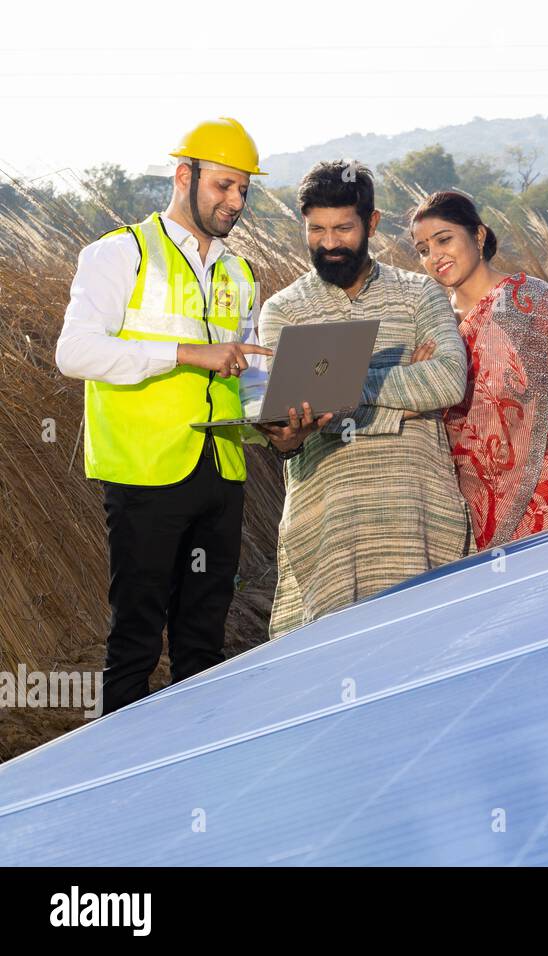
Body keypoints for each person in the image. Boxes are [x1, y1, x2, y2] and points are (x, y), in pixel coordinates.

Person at [54, 117, 313, 714]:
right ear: (183, 176)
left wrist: (279, 421)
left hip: (221, 470)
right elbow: (75, 353)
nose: (236, 201)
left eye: (244, 190)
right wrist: (184, 353)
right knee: (136, 639)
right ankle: (119, 772)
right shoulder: (121, 254)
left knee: (204, 638)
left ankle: (197, 762)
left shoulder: (239, 272)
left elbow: (243, 369)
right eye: (224, 186)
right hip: (145, 471)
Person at [259, 161, 471, 639]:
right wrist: (403, 384)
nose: (329, 243)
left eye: (342, 228)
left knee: (426, 653)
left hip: (416, 511)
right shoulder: (283, 311)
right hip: (327, 522)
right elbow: (294, 415)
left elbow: (449, 382)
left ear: (371, 224)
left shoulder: (421, 293)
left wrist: (342, 387)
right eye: (316, 229)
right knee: (329, 664)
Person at [408, 190, 548, 550]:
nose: (434, 256)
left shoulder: (534, 305)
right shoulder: (431, 330)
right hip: (466, 524)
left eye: (444, 240)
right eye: (422, 251)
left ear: (478, 235)